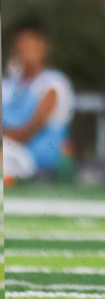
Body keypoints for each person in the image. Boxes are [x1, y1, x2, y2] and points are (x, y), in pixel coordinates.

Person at [3, 18, 74, 183]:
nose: (27, 53)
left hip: (35, 161)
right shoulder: (9, 85)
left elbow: (29, 131)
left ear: (44, 48)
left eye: (32, 47)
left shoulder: (53, 84)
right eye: (23, 47)